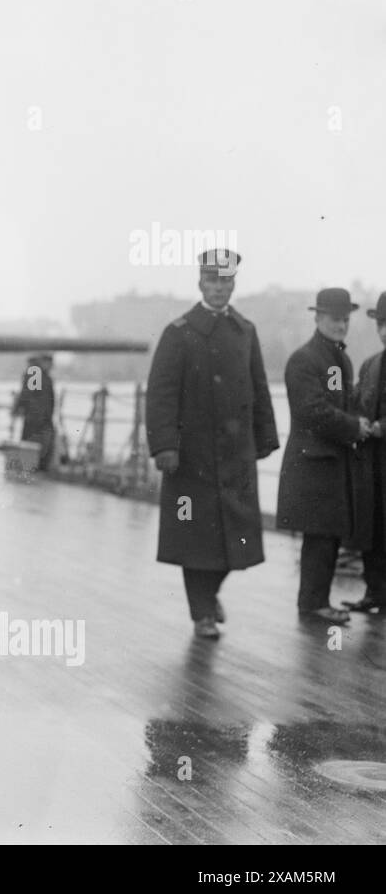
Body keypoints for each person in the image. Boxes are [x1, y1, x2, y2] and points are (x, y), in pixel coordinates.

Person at [145, 250, 279, 639]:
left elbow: (259, 387)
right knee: (195, 538)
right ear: (200, 283)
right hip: (191, 458)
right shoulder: (179, 332)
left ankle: (211, 593)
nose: (219, 288)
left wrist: (265, 436)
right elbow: (161, 394)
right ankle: (202, 612)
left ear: (233, 284)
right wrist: (164, 446)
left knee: (236, 535)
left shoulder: (245, 331)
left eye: (226, 282)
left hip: (236, 454)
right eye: (212, 281)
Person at [276, 287, 373, 625]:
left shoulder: (338, 359)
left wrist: (359, 420)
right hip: (313, 463)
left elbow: (341, 402)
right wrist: (354, 427)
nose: (341, 325)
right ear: (317, 318)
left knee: (329, 533)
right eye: (334, 319)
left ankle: (317, 602)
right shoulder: (304, 360)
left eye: (345, 319)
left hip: (331, 462)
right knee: (319, 535)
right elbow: (312, 411)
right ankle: (313, 603)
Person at [347, 292, 386, 613]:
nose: (385, 331)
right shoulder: (370, 365)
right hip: (372, 466)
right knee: (371, 529)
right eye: (382, 323)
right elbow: (356, 402)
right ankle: (375, 593)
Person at [11, 353, 55, 469]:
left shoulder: (40, 375)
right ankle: (33, 467)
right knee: (36, 443)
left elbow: (28, 394)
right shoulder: (35, 373)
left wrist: (18, 408)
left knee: (36, 443)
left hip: (39, 417)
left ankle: (34, 467)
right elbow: (28, 394)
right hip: (37, 418)